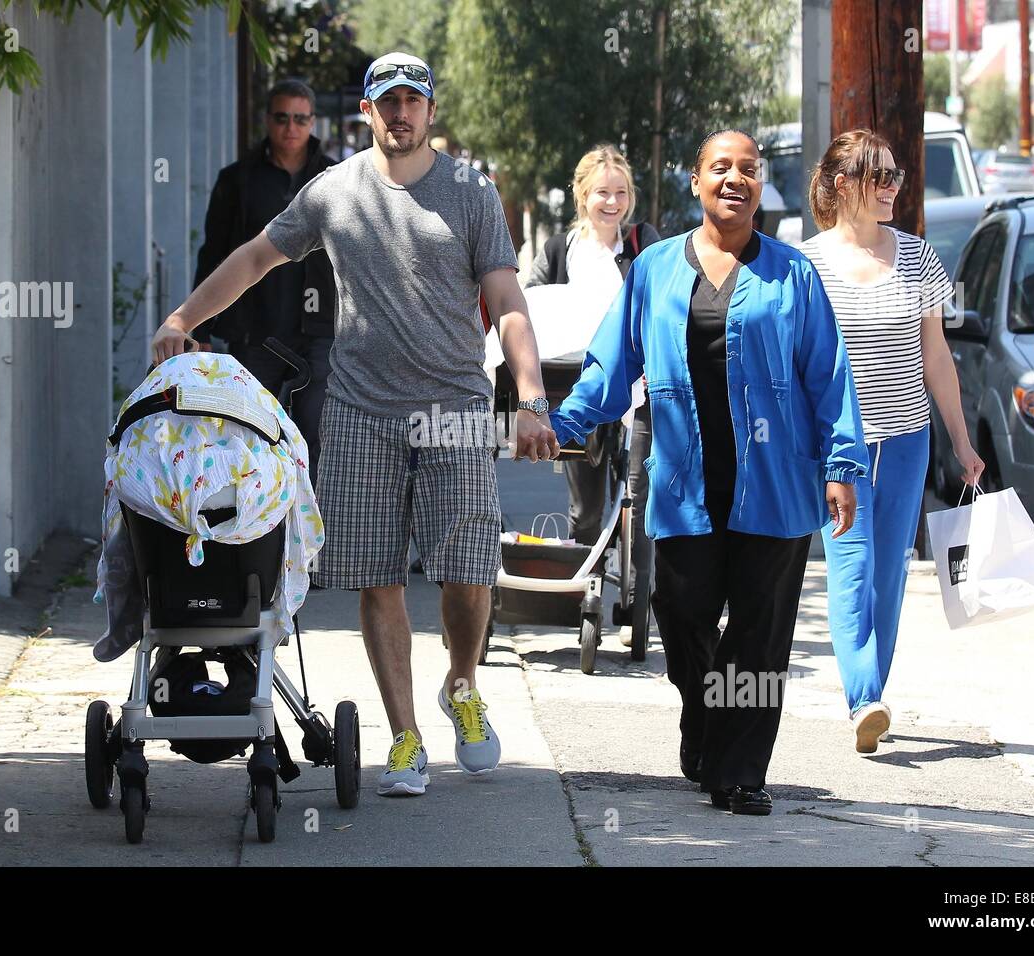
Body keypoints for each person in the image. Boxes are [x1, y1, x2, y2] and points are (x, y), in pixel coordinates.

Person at [151, 52, 559, 798]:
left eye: (413, 100)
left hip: (457, 410)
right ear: (367, 112)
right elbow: (252, 260)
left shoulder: (471, 193)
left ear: (431, 111)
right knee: (375, 578)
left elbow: (506, 301)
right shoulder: (334, 192)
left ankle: (461, 686)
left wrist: (529, 398)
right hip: (361, 411)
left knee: (468, 570)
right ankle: (404, 738)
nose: (401, 113)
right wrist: (183, 317)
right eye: (387, 102)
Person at [549, 130, 867, 816]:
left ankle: (738, 770)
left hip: (776, 486)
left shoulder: (794, 274)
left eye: (748, 169)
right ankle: (706, 714)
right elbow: (611, 364)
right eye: (720, 167)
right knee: (682, 612)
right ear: (695, 183)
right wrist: (565, 423)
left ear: (761, 187)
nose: (735, 178)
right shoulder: (656, 270)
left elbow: (828, 374)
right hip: (684, 485)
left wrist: (843, 463)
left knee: (759, 632)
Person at [799, 130, 984, 754]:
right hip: (840, 448)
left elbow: (937, 357)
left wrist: (961, 442)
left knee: (890, 576)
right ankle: (864, 699)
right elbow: (799, 364)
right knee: (850, 568)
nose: (892, 190)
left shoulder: (919, 258)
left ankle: (870, 694)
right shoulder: (809, 262)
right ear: (841, 184)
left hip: (907, 441)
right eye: (879, 179)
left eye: (896, 177)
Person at [527, 146, 659, 636]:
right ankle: (587, 594)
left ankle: (637, 601)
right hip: (578, 391)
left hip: (640, 394)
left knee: (637, 501)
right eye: (602, 192)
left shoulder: (645, 243)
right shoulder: (561, 250)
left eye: (621, 193)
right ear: (582, 194)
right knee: (585, 512)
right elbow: (531, 303)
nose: (612, 202)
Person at [192, 79, 338, 472]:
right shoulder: (237, 180)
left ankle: (313, 523)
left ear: (312, 123)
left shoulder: (334, 179)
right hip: (257, 329)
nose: (291, 127)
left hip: (321, 328)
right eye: (281, 117)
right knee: (255, 430)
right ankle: (263, 524)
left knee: (314, 428)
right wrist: (198, 329)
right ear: (267, 120)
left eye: (300, 119)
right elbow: (214, 254)